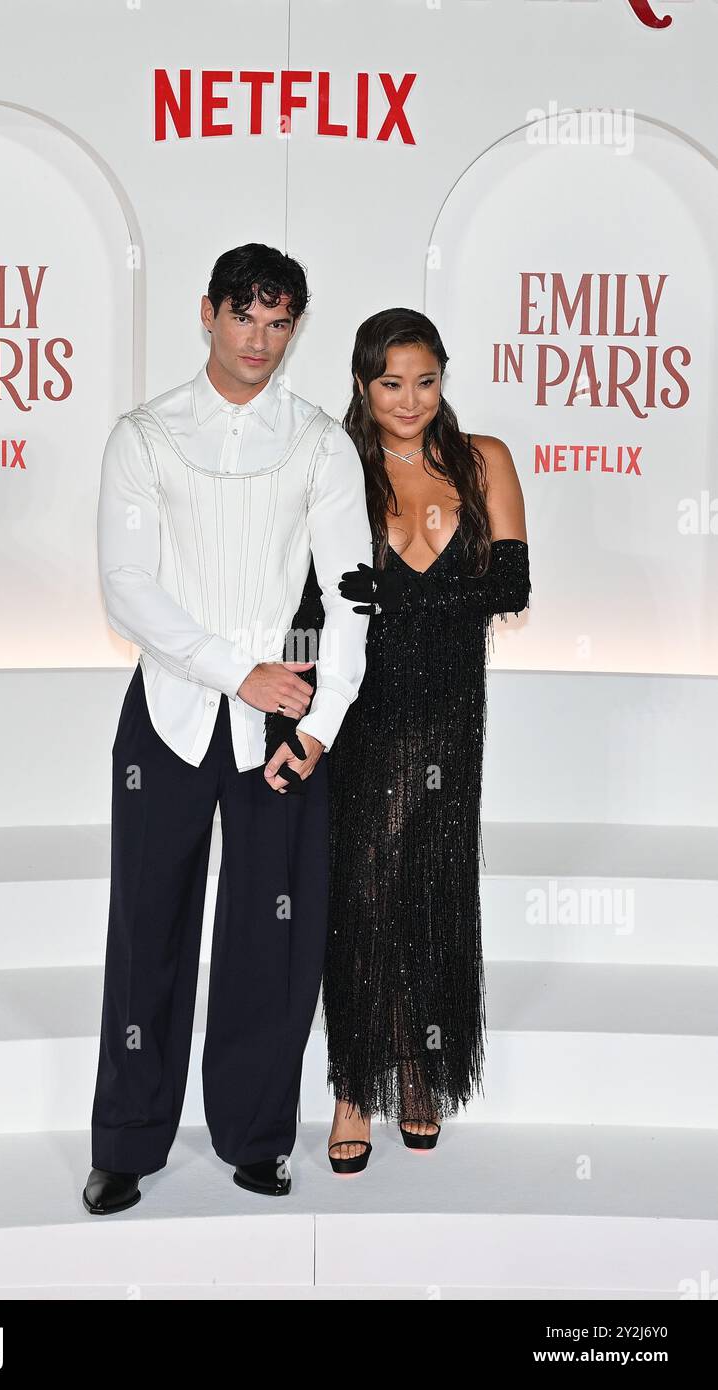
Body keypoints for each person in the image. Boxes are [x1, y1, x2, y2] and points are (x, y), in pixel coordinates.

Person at [83, 244, 373, 1213]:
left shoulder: (321, 441)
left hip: (284, 726)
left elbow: (349, 595)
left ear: (294, 329)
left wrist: (320, 721)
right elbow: (127, 587)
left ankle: (255, 1135)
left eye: (278, 321)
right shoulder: (144, 432)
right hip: (166, 715)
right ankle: (126, 1142)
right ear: (207, 313)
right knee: (145, 931)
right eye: (244, 315)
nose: (259, 338)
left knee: (271, 937)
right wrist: (231, 669)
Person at [265, 308, 531, 1174]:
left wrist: (404, 602)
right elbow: (306, 614)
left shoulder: (483, 459)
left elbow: (513, 585)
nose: (409, 399)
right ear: (361, 384)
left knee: (433, 886)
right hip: (367, 715)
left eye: (424, 379)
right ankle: (354, 1084)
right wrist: (292, 721)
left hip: (453, 711)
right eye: (389, 383)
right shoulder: (337, 473)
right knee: (366, 893)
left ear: (443, 376)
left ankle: (420, 1068)